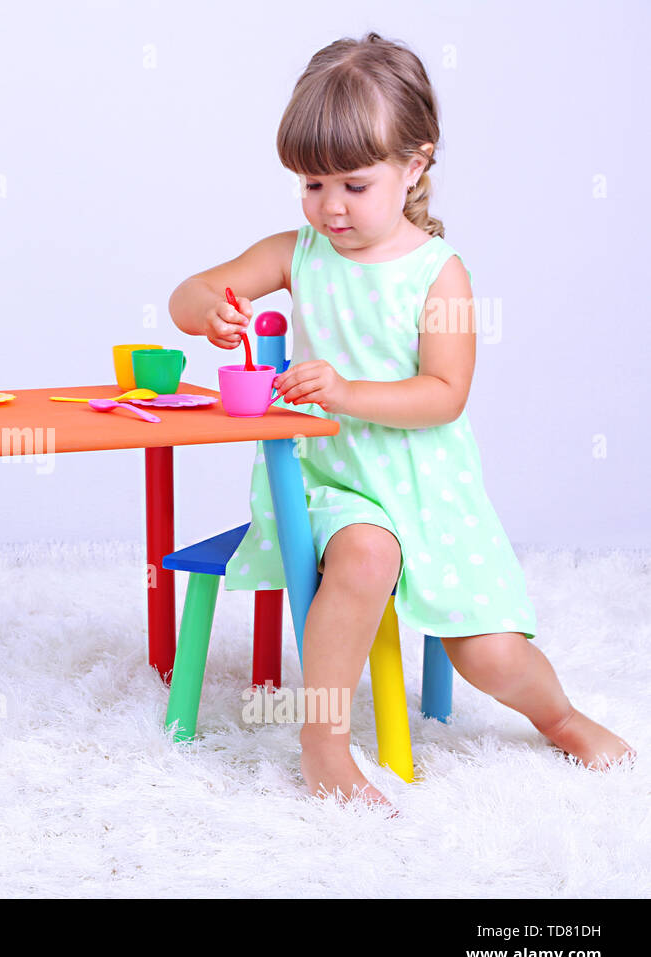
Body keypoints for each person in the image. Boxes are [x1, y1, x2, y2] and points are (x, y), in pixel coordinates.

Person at [168, 32, 634, 807]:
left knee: (492, 654)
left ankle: (560, 717)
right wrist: (206, 309)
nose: (331, 206)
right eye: (312, 184)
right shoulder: (299, 253)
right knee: (365, 556)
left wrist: (346, 390)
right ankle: (324, 745)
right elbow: (195, 287)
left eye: (354, 184)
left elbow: (444, 393)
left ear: (414, 166)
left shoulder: (437, 273)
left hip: (426, 483)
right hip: (331, 478)